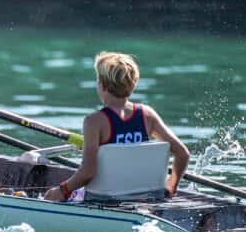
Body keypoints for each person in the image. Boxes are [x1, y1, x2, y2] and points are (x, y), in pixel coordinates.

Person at [43, 51, 190, 202]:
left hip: (101, 200)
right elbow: (182, 154)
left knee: (46, 194)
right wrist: (171, 185)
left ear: (102, 84)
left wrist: (62, 190)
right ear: (133, 83)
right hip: (143, 198)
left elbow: (87, 173)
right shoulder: (147, 115)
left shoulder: (94, 122)